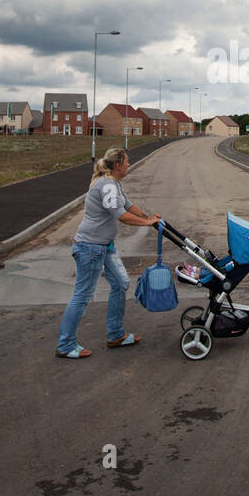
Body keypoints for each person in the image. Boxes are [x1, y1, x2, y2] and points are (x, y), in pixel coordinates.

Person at [56, 147, 161, 359]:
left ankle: (116, 335)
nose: (129, 165)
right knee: (82, 295)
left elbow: (128, 206)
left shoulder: (114, 184)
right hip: (90, 247)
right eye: (127, 162)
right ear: (118, 165)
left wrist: (150, 218)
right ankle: (65, 345)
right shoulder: (106, 185)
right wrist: (146, 223)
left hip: (105, 246)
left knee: (121, 283)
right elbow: (121, 215)